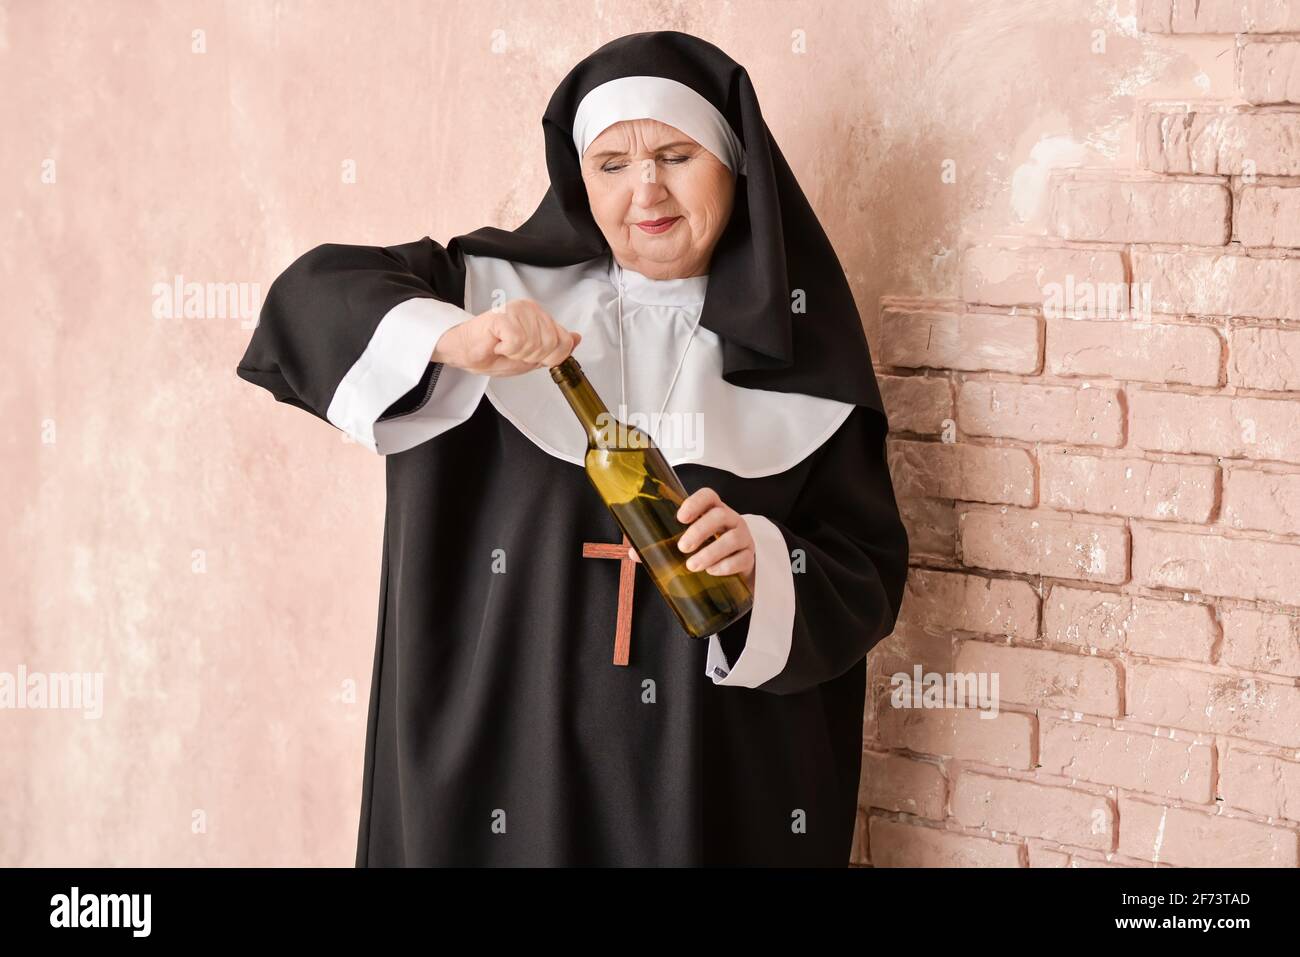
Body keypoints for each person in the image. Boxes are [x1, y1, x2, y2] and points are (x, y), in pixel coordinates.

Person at [235, 30, 910, 867]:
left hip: (704, 794)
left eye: (675, 154)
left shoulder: (812, 371)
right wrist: (457, 342)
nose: (646, 190)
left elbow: (867, 576)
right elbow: (303, 304)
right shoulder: (491, 293)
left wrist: (764, 566)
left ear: (736, 163)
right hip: (503, 777)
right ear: (579, 177)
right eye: (612, 163)